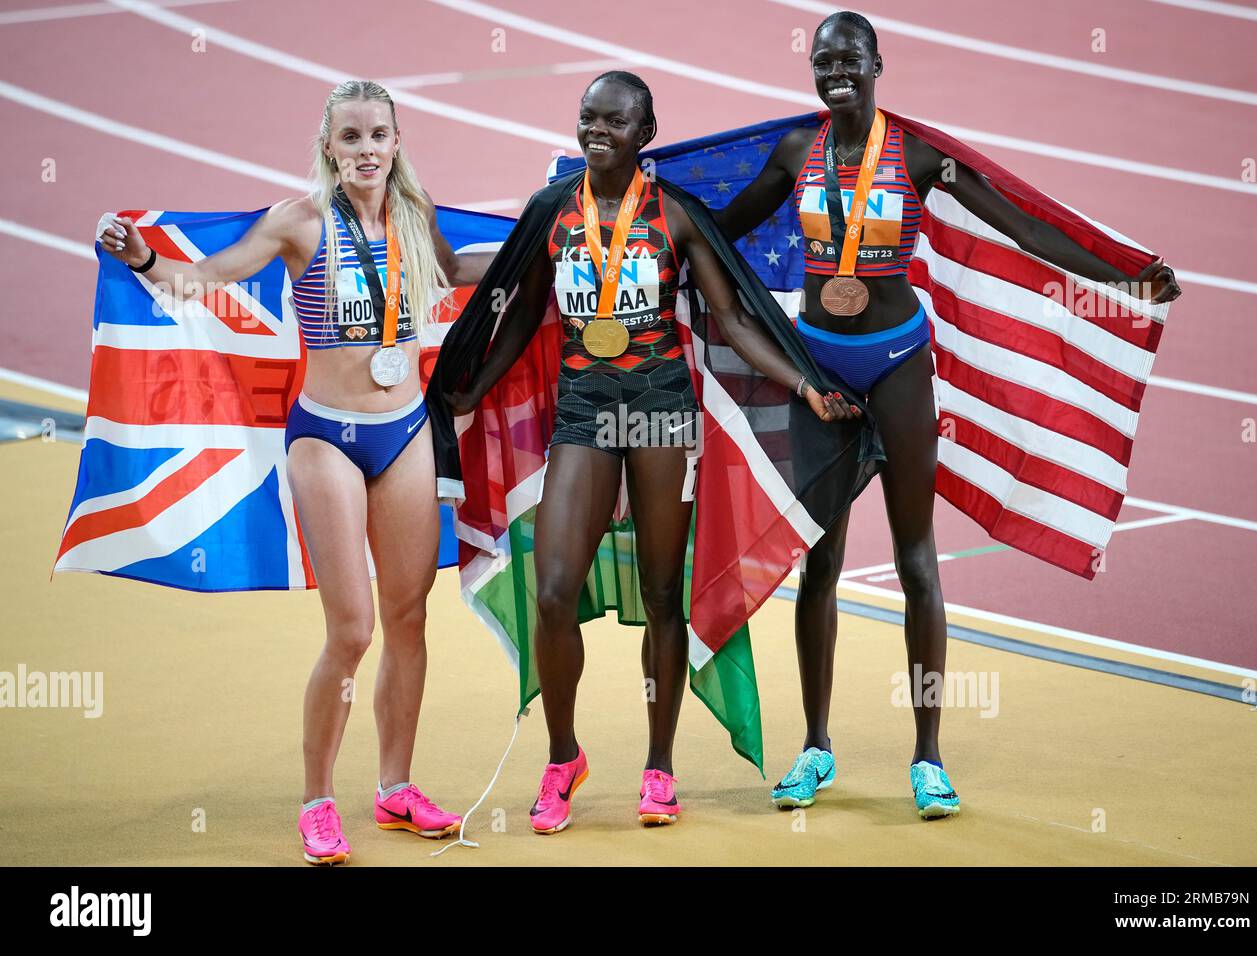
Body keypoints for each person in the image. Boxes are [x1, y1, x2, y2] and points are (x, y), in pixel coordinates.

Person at [716, 12, 1181, 818]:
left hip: (897, 365)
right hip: (820, 366)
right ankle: (816, 748)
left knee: (915, 559)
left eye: (850, 59)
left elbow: (1025, 228)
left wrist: (1124, 276)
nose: (836, 71)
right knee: (818, 564)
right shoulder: (796, 154)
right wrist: (644, 230)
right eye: (823, 59)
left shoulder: (920, 158)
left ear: (877, 65)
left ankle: (928, 758)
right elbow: (720, 233)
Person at [442, 71, 860, 834]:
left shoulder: (677, 217)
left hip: (661, 413)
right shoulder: (551, 213)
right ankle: (563, 756)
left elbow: (732, 321)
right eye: (586, 118)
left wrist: (806, 387)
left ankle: (659, 766)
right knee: (553, 590)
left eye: (614, 121)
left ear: (646, 133)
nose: (596, 131)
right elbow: (520, 309)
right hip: (585, 413)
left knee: (667, 596)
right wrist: (471, 390)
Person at [95, 80, 494, 864]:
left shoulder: (415, 217)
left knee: (410, 619)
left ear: (396, 141)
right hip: (326, 441)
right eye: (351, 138)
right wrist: (143, 256)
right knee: (352, 630)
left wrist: (540, 251)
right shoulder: (299, 223)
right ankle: (316, 800)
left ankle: (394, 787)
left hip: (407, 430)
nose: (367, 151)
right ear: (328, 148)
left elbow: (457, 272)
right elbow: (203, 280)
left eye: (379, 135)